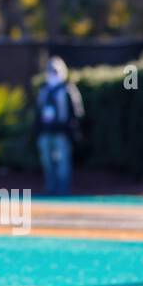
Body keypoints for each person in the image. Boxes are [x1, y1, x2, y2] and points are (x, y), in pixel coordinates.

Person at [33, 56, 84, 196]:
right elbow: (38, 113)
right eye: (50, 70)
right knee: (47, 162)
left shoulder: (68, 89)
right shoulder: (44, 90)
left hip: (61, 133)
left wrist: (71, 129)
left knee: (62, 163)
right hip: (45, 132)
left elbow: (76, 112)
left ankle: (62, 190)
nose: (52, 73)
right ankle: (50, 188)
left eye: (55, 70)